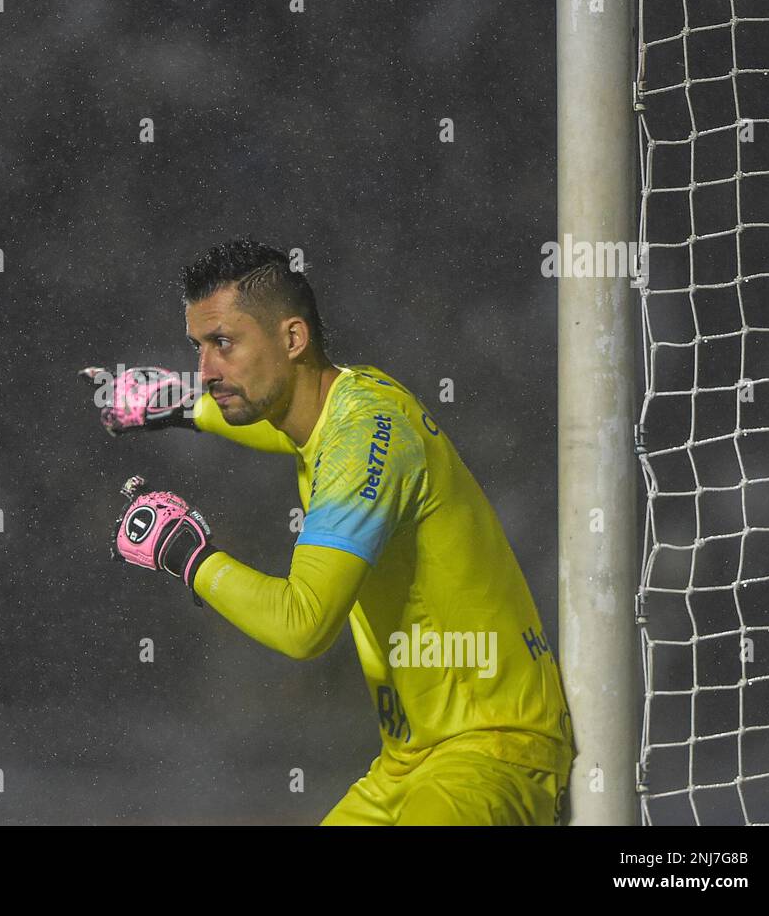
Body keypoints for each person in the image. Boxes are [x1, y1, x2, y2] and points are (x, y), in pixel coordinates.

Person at [81, 238, 576, 825]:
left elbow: (303, 625)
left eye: (224, 344)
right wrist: (180, 404)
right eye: (198, 349)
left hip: (488, 753)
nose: (206, 369)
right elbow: (280, 427)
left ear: (293, 338)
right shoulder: (345, 400)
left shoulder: (364, 436)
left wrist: (186, 554)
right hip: (408, 763)